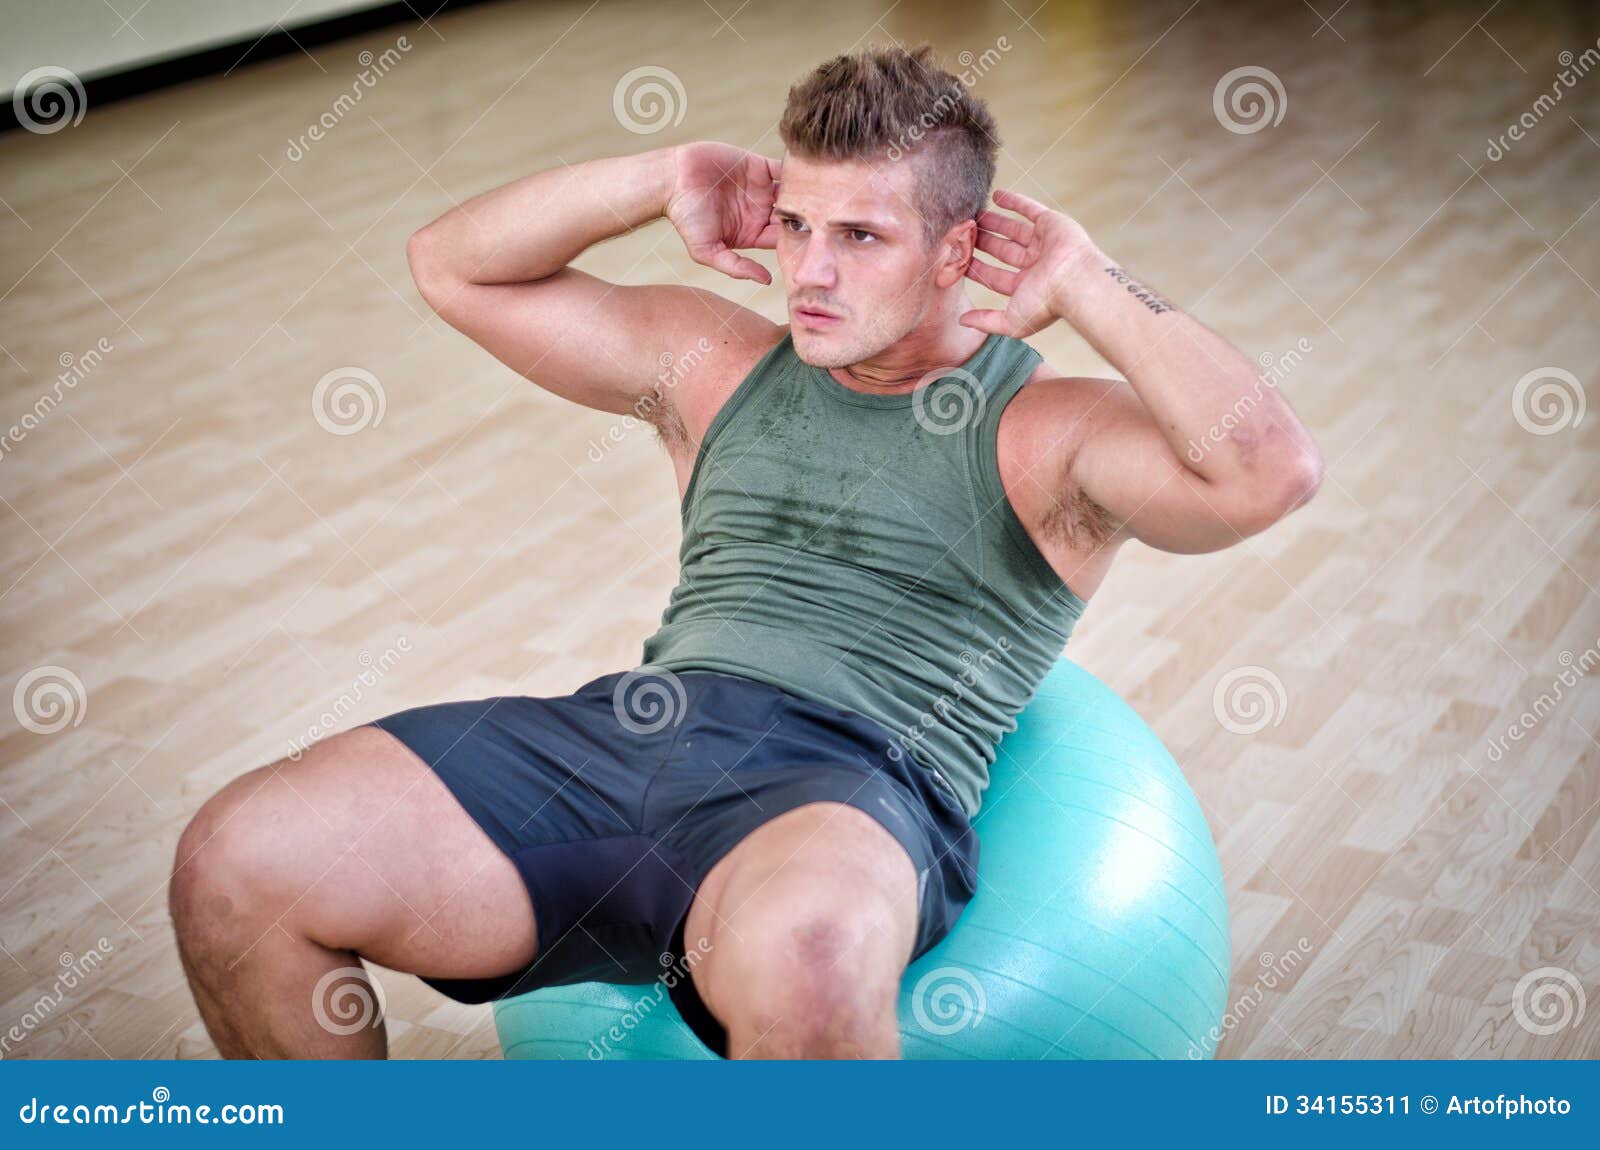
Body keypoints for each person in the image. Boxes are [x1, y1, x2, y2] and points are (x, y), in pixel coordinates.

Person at [170, 44, 1322, 1059]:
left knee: (811, 960)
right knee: (240, 858)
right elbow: (452, 265)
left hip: (846, 788)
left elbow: (1266, 470)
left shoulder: (1049, 431)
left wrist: (1085, 281)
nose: (807, 274)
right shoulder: (713, 362)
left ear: (955, 249)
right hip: (636, 735)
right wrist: (657, 177)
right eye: (795, 226)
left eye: (860, 236)